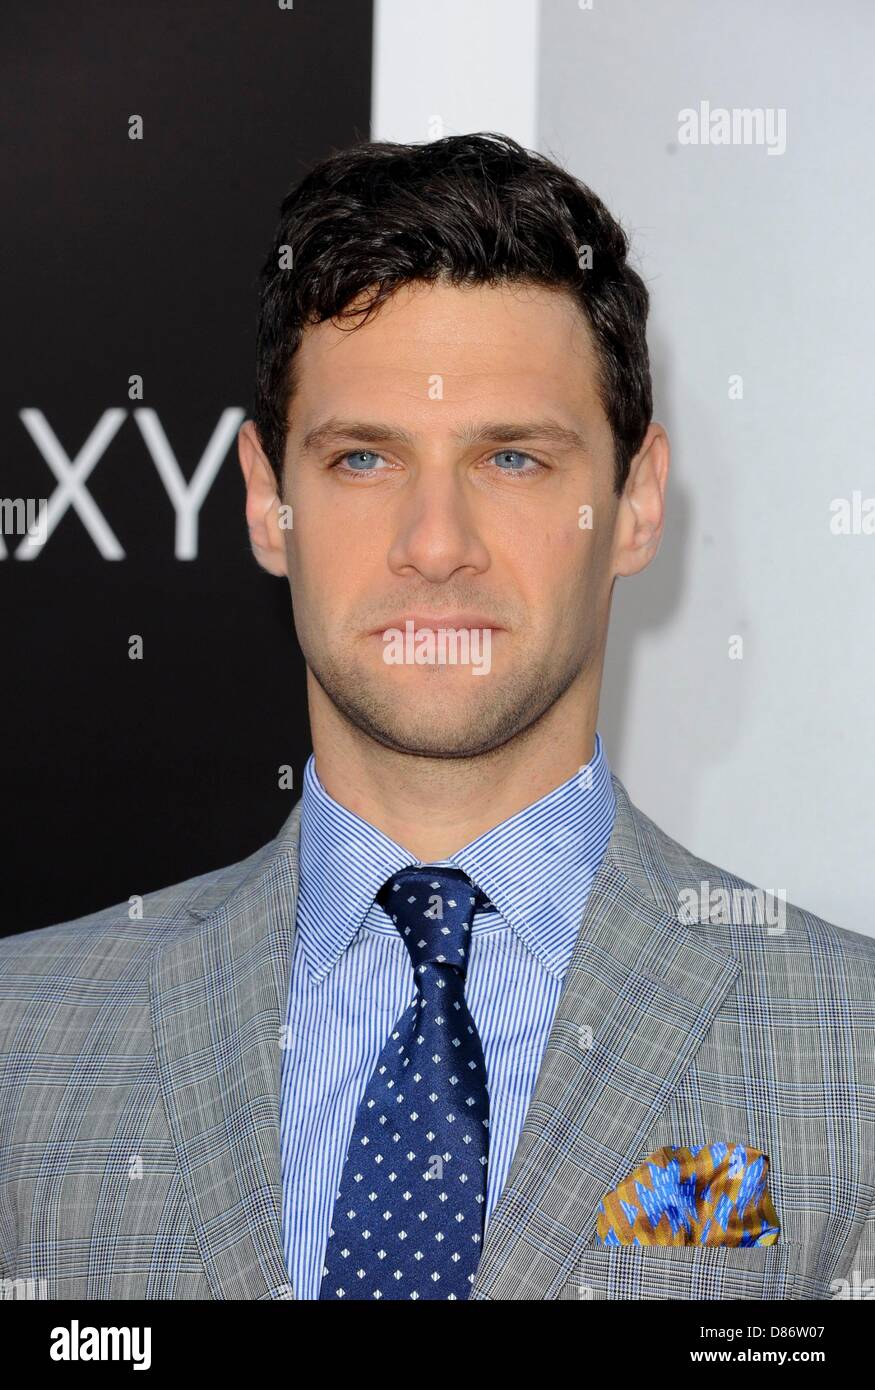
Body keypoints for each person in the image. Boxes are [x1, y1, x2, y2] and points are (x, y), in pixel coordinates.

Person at [1, 133, 872, 1302]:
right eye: (363, 459)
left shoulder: (846, 1056)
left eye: (511, 458)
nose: (434, 546)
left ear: (634, 502)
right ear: (267, 502)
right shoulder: (24, 1044)